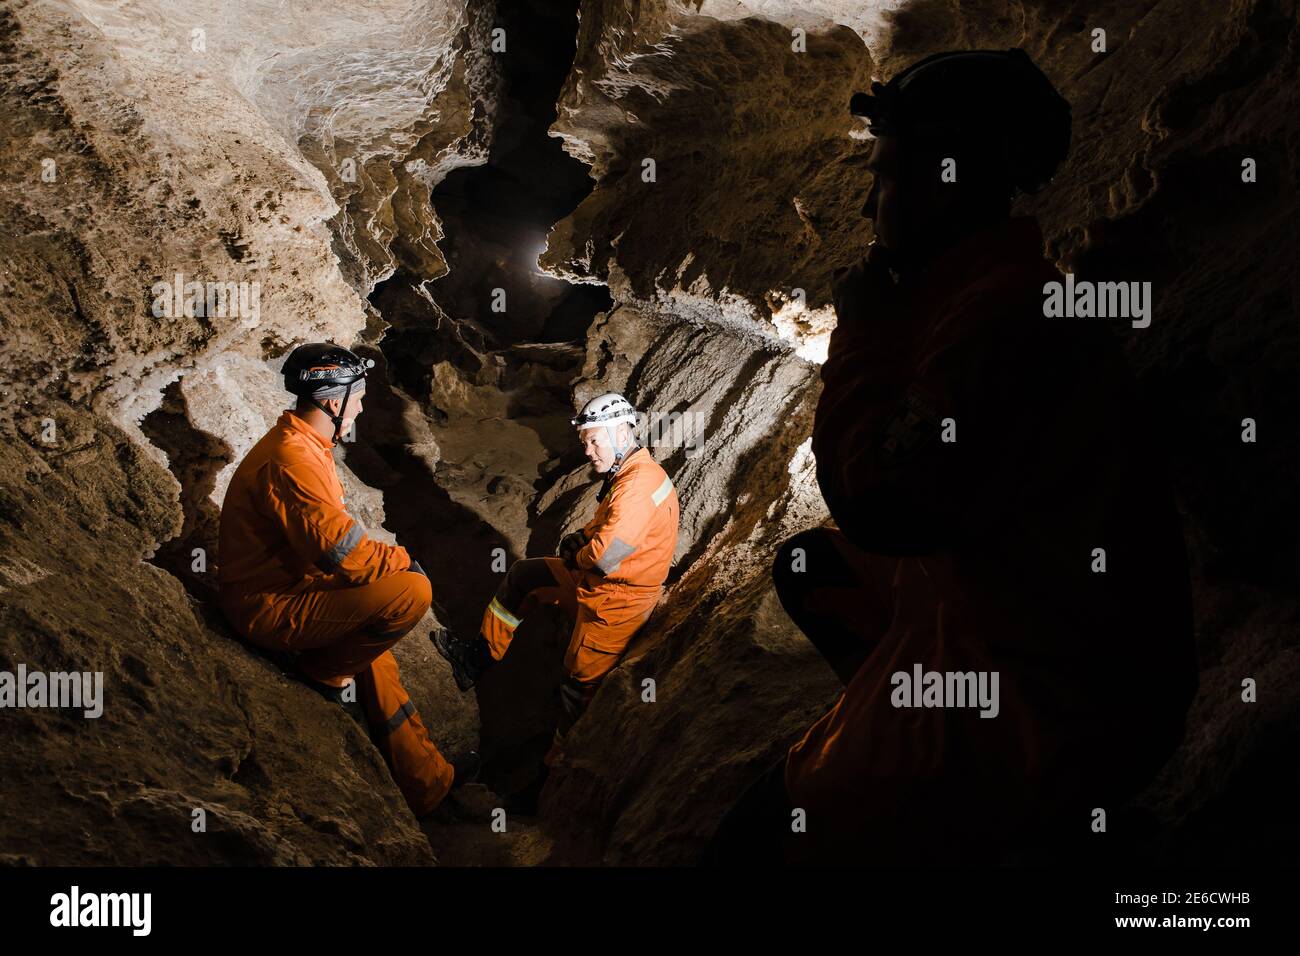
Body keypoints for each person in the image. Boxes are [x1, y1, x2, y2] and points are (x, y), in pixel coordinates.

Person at [704, 49, 1197, 864]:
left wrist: (860, 333)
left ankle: (986, 810)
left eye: (890, 177)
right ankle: (920, 744)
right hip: (1017, 621)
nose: (872, 201)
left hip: (1043, 699)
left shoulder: (999, 318)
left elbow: (880, 502)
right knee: (812, 570)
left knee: (761, 835)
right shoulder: (985, 295)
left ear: (947, 180)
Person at [218, 342, 476, 819]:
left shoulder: (305, 445)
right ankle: (320, 674)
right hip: (269, 606)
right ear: (333, 401)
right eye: (357, 395)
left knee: (377, 661)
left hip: (296, 587)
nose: (360, 405)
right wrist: (402, 560)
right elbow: (346, 553)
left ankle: (431, 786)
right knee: (411, 592)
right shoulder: (292, 459)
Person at [434, 393, 679, 748]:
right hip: (598, 581)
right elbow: (611, 535)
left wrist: (578, 553)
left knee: (578, 684)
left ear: (622, 434)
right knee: (524, 577)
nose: (588, 451)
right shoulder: (633, 472)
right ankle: (478, 659)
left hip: (618, 601)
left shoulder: (636, 488)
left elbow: (604, 559)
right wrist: (582, 538)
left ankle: (562, 760)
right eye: (585, 443)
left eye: (594, 441)